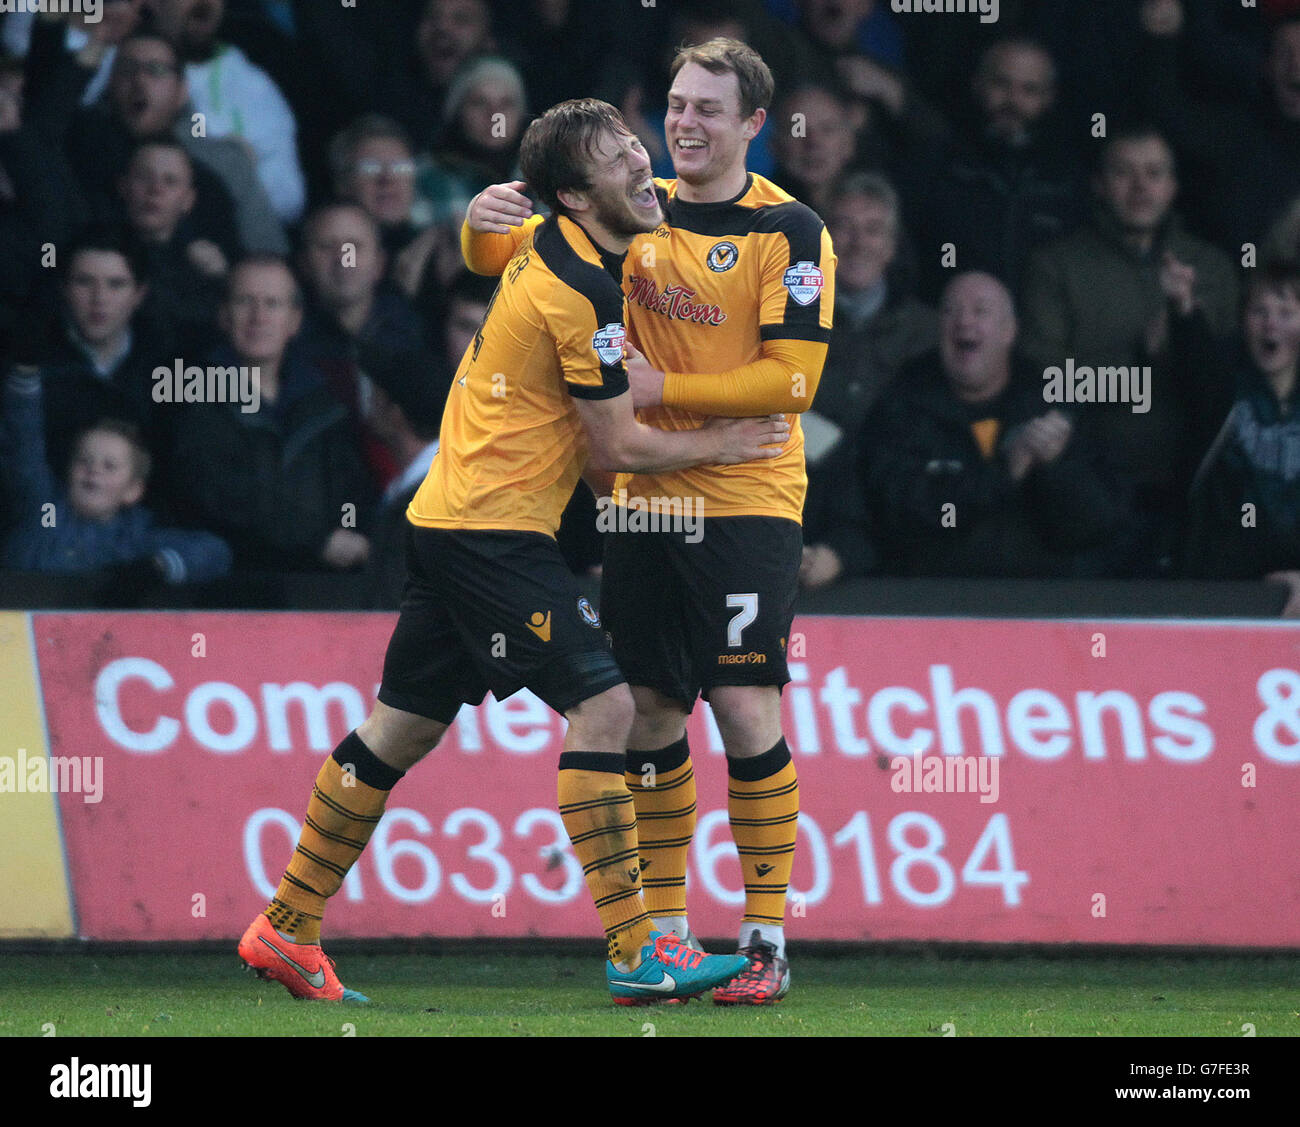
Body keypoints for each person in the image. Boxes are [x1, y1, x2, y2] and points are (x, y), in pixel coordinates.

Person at [237, 98, 787, 1005]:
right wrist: (727, 444)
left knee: (399, 726)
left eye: (634, 148)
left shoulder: (553, 241)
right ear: (575, 196)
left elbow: (494, 244)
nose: (641, 169)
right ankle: (637, 945)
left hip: (450, 518)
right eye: (617, 162)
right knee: (607, 705)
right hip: (492, 532)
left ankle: (286, 923)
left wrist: (469, 227)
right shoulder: (583, 289)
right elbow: (617, 448)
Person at [464, 38, 836, 1004]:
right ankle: (664, 936)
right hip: (637, 500)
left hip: (748, 493)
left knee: (746, 705)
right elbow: (502, 256)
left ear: (755, 124)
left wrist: (664, 384)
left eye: (711, 108)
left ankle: (764, 939)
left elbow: (795, 380)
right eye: (676, 104)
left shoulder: (789, 231)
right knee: (654, 712)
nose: (685, 123)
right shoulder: (630, 208)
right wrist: (476, 225)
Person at [861, 272, 1133, 578]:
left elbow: (1100, 525)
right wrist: (1004, 474)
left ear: (1009, 331)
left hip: (1037, 600)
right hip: (930, 598)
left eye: (980, 311)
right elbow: (897, 515)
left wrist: (1059, 466)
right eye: (951, 311)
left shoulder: (1051, 404)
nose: (964, 322)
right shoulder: (902, 403)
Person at [2, 370, 231, 592]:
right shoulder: (45, 512)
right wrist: (25, 379)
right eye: (84, 461)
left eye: (109, 466)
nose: (94, 470)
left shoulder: (134, 537)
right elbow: (24, 450)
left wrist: (157, 566)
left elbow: (216, 552)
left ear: (132, 490)